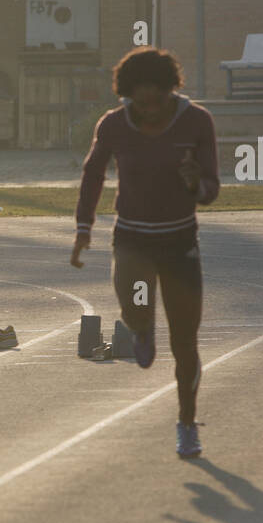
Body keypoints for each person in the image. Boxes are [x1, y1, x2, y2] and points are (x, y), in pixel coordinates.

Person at [70, 47, 220, 458]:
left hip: (179, 243)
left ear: (172, 90)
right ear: (127, 94)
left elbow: (211, 188)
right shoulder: (115, 125)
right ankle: (140, 329)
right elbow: (93, 173)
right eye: (140, 99)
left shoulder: (196, 121)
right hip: (133, 237)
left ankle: (187, 424)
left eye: (158, 98)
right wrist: (84, 228)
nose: (150, 108)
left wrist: (194, 185)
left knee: (185, 343)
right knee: (135, 299)